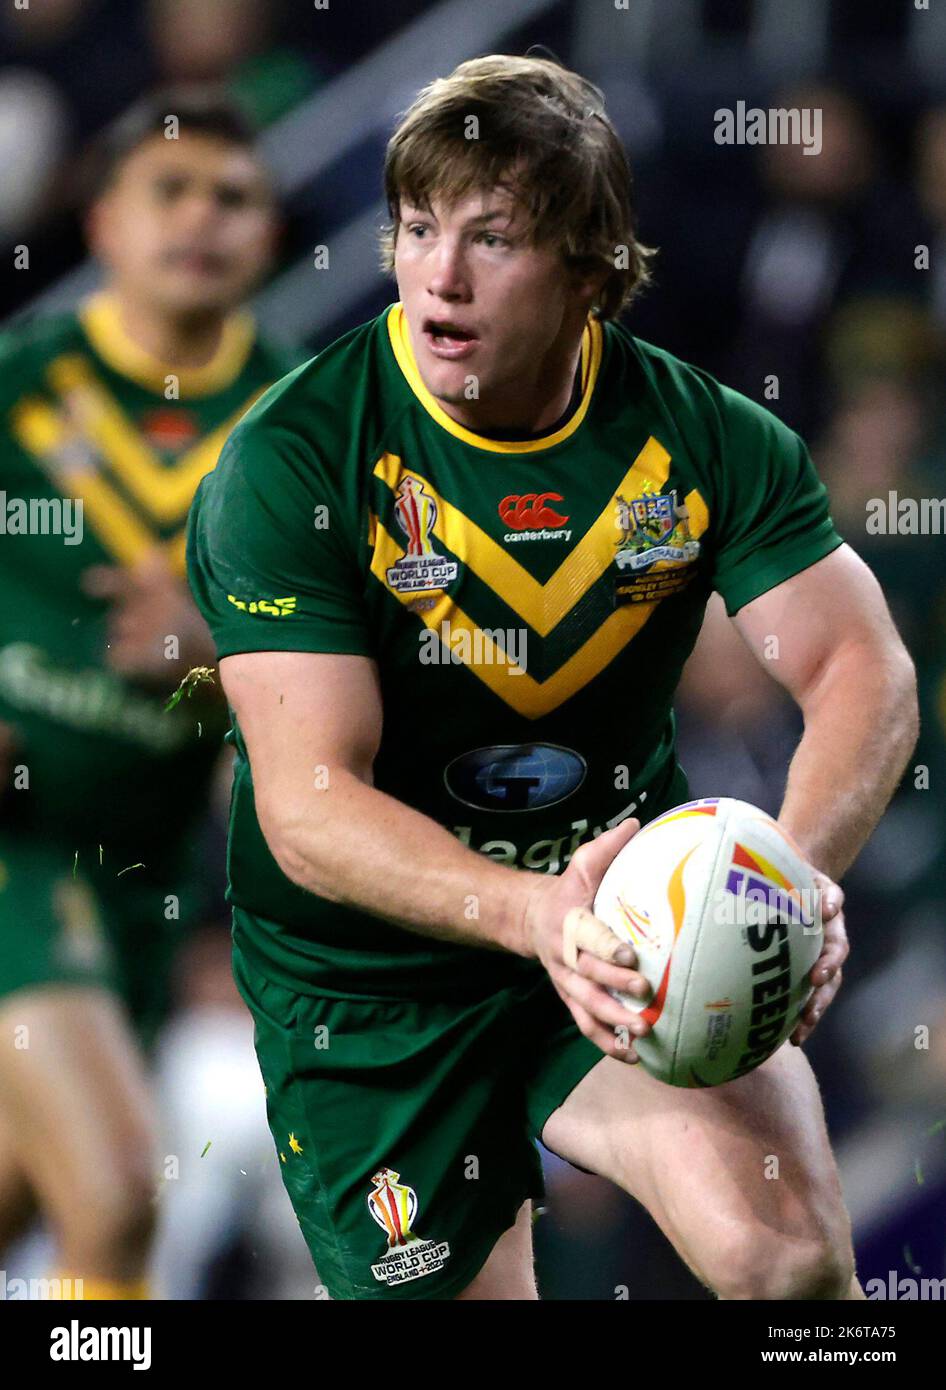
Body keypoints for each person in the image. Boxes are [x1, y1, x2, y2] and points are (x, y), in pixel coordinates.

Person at [187, 55, 919, 1301]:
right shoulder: (294, 458)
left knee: (788, 1266)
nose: (439, 276)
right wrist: (534, 916)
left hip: (632, 926)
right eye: (417, 229)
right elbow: (307, 805)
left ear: (592, 266)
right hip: (369, 991)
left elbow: (865, 668)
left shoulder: (704, 437)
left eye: (495, 238)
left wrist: (787, 876)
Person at [0, 88, 291, 1299]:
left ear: (270, 235)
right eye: (171, 191)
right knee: (118, 1194)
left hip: (140, 885)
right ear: (104, 220)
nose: (203, 220)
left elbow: (343, 692)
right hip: (14, 848)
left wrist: (212, 654)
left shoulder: (299, 437)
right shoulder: (18, 384)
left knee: (28, 1198)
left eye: (234, 197)